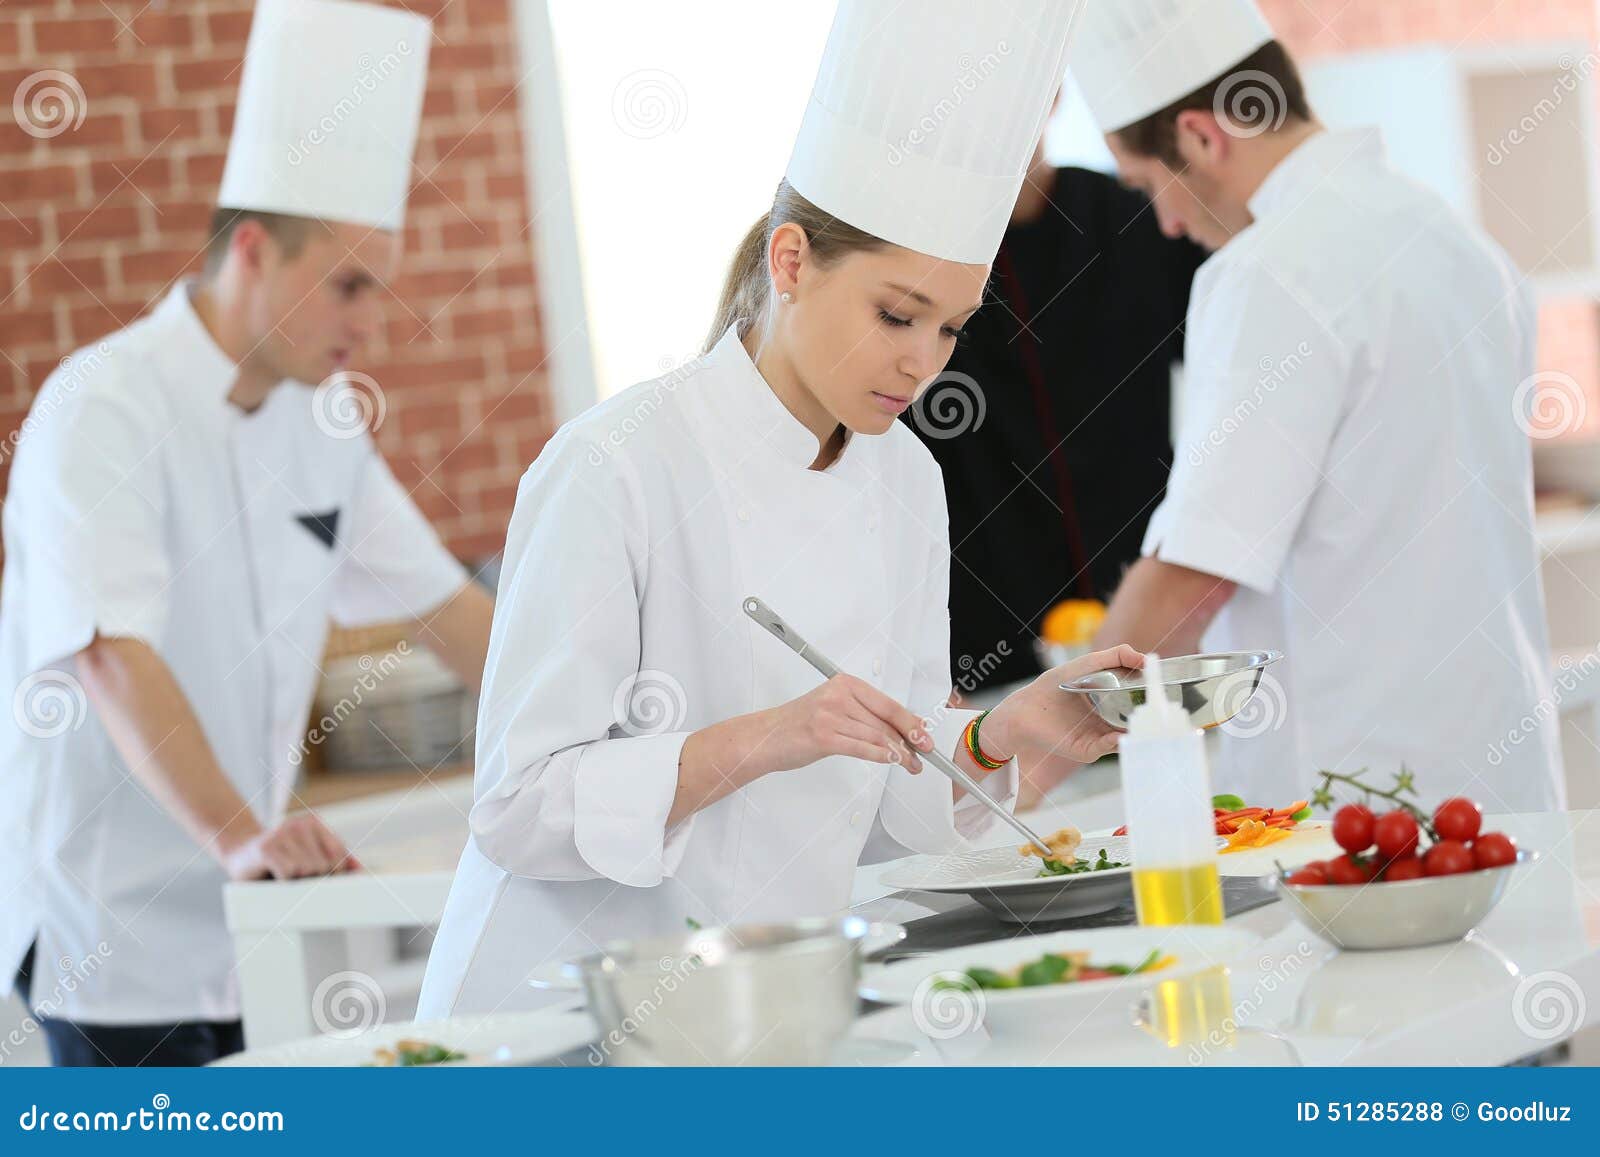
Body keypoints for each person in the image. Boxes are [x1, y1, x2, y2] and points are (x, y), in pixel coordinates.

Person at [418, 0, 1140, 1018]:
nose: (920, 362)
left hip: (766, 1010)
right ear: (790, 261)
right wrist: (771, 735)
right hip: (557, 1025)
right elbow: (517, 803)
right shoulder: (615, 464)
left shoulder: (905, 481)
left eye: (949, 328)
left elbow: (895, 806)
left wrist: (1001, 732)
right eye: (895, 313)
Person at [0, 0, 495, 1066]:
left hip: (264, 930)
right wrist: (240, 833)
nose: (370, 325)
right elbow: (108, 652)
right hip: (113, 946)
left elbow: (449, 613)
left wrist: (597, 734)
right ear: (257, 250)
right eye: (350, 284)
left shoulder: (323, 427)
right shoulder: (104, 407)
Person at [1066, 0, 1563, 812]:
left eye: (1150, 185)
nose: (1168, 221)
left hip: (1357, 807)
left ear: (1200, 136)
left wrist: (1041, 745)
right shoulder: (1461, 243)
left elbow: (1192, 573)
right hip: (1502, 780)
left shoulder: (1268, 270)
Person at [905, 110, 1204, 692]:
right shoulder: (915, 255)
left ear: (1054, 92)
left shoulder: (1138, 216)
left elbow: (1231, 374)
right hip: (987, 643)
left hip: (1152, 608)